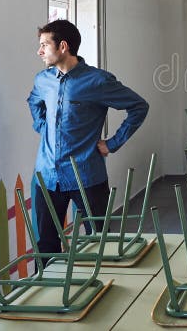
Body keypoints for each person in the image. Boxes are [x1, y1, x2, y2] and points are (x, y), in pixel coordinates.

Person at [27, 19, 149, 261]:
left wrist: (112, 143)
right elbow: (33, 101)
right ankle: (47, 285)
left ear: (63, 46)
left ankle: (103, 281)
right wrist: (43, 127)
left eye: (44, 45)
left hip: (86, 175)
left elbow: (138, 107)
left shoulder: (98, 81)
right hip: (47, 175)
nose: (39, 51)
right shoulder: (43, 80)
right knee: (46, 244)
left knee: (100, 241)